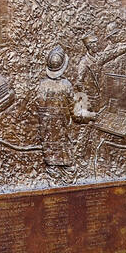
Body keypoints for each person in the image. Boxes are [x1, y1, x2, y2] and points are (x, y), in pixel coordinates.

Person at [35, 45, 96, 174]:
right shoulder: (66, 86)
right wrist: (90, 115)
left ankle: (51, 166)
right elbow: (76, 113)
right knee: (64, 148)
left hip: (46, 129)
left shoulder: (41, 85)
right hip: (61, 128)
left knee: (50, 143)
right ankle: (66, 167)